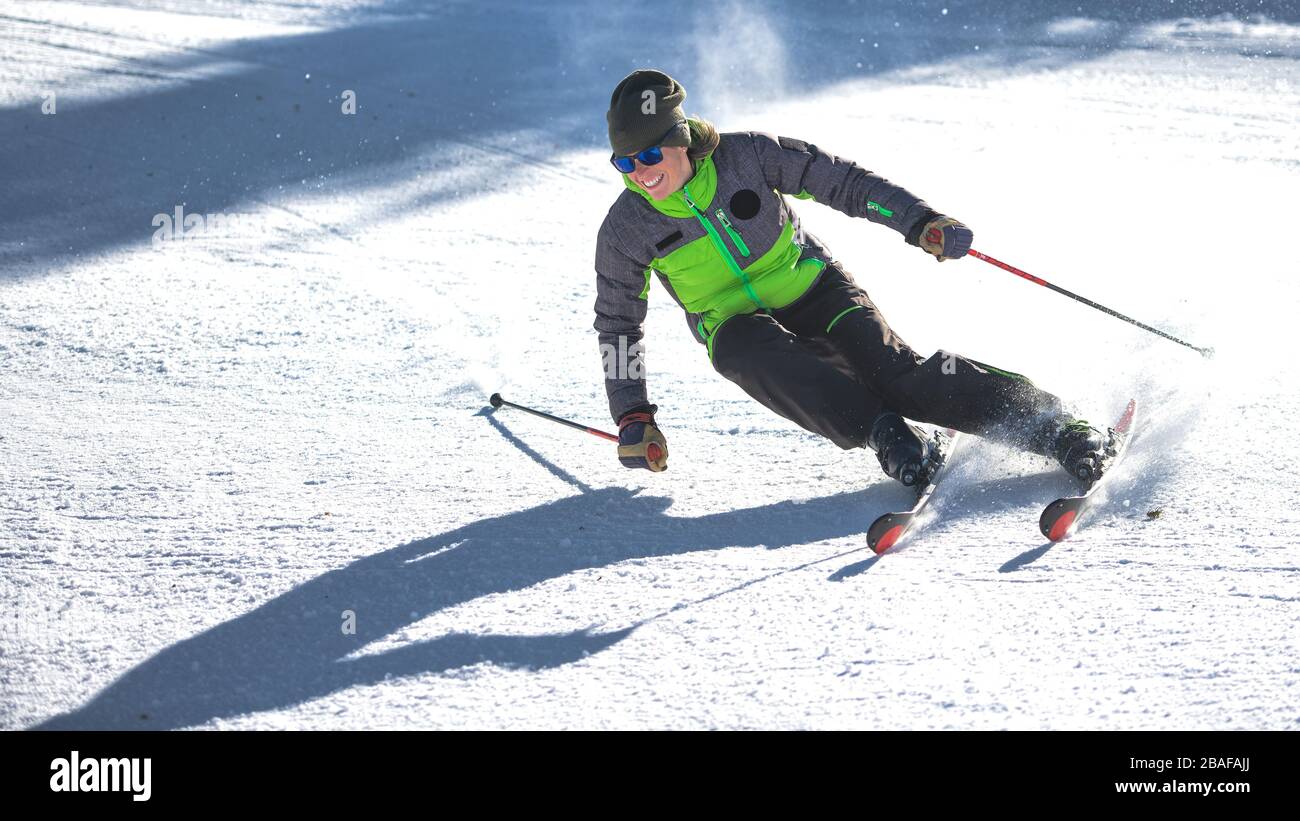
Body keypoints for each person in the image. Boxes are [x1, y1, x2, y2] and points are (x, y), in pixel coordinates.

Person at [594, 69, 1110, 489]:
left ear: (681, 140)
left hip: (812, 287)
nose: (640, 172)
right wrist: (632, 415)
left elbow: (842, 182)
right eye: (625, 162)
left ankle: (1054, 425)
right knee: (740, 351)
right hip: (733, 323)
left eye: (649, 155)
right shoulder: (625, 230)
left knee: (897, 375)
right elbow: (618, 325)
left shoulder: (747, 156)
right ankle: (886, 434)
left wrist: (919, 220)